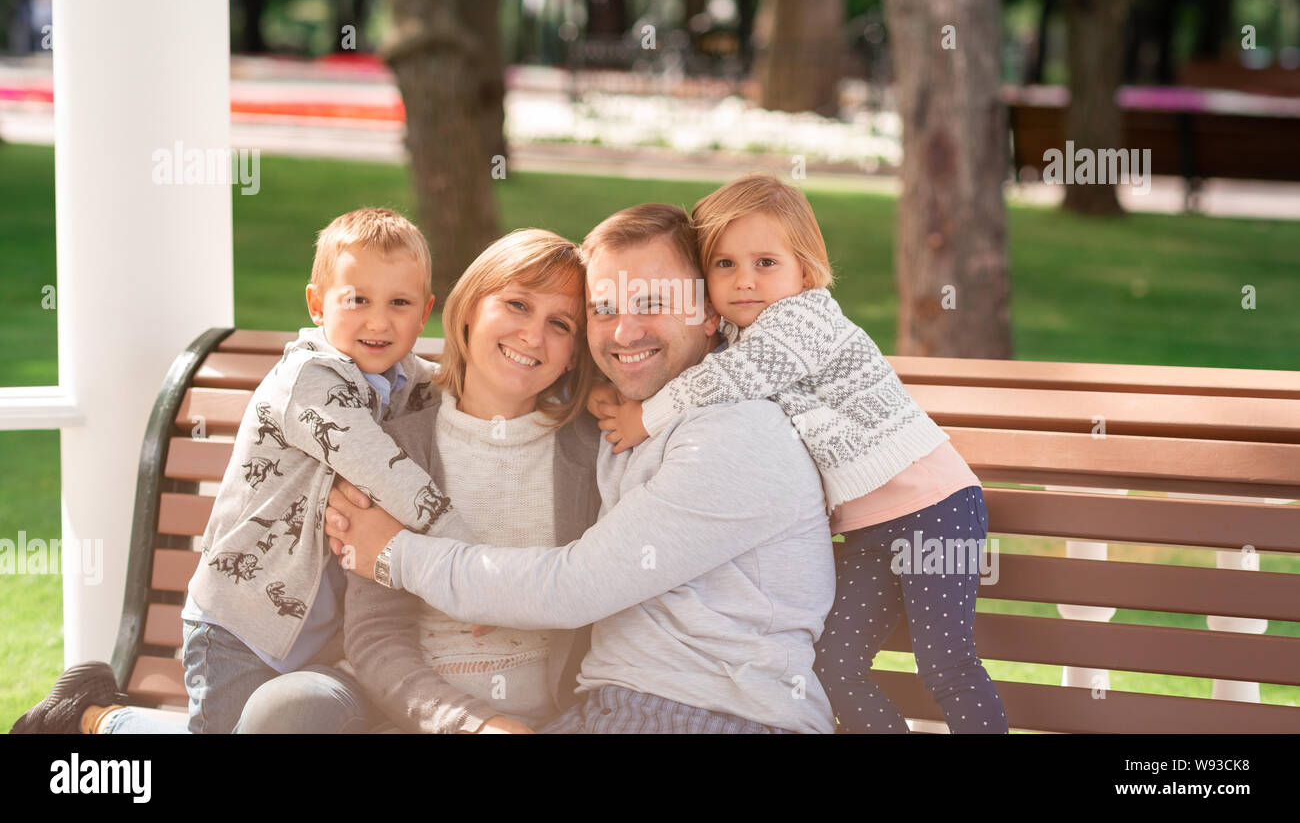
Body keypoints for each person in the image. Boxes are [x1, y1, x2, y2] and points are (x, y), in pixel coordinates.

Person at [325, 203, 837, 734]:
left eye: (654, 302)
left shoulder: (735, 435)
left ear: (710, 313)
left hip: (713, 717)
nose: (624, 333)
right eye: (605, 309)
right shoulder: (628, 421)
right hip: (611, 712)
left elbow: (573, 587)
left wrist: (391, 552)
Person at [13, 207, 472, 734]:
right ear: (317, 304)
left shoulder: (407, 378)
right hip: (239, 627)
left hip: (318, 637)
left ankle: (92, 717)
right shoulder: (310, 382)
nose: (379, 320)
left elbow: (467, 394)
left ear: (425, 312)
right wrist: (470, 564)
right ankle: (97, 725)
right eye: (357, 300)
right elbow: (387, 472)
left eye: (399, 303)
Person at [587, 174, 1008, 733]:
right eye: (724, 265)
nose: (744, 282)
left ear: (805, 271)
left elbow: (734, 376)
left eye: (766, 263)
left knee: (945, 663)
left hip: (936, 510)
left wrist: (644, 416)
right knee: (835, 666)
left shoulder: (804, 321)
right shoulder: (735, 336)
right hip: (868, 529)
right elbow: (684, 360)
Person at [236, 228, 600, 734]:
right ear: (469, 308)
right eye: (517, 305)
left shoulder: (596, 452)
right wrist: (471, 723)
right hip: (412, 715)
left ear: (577, 353)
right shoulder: (395, 452)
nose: (532, 337)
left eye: (560, 324)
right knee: (289, 709)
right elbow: (377, 636)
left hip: (552, 721)